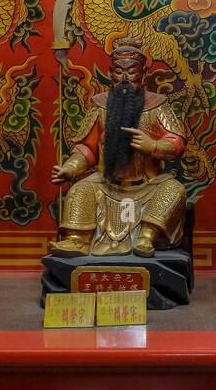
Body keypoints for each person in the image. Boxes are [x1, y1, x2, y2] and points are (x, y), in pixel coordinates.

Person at [50, 36, 187, 257]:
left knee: (174, 190)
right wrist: (70, 168)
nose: (124, 78)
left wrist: (152, 145)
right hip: (107, 183)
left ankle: (146, 237)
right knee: (81, 189)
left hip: (148, 185)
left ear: (143, 74)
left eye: (131, 72)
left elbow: (177, 144)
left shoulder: (158, 105)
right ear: (110, 73)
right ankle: (77, 240)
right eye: (118, 72)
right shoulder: (99, 105)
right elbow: (86, 149)